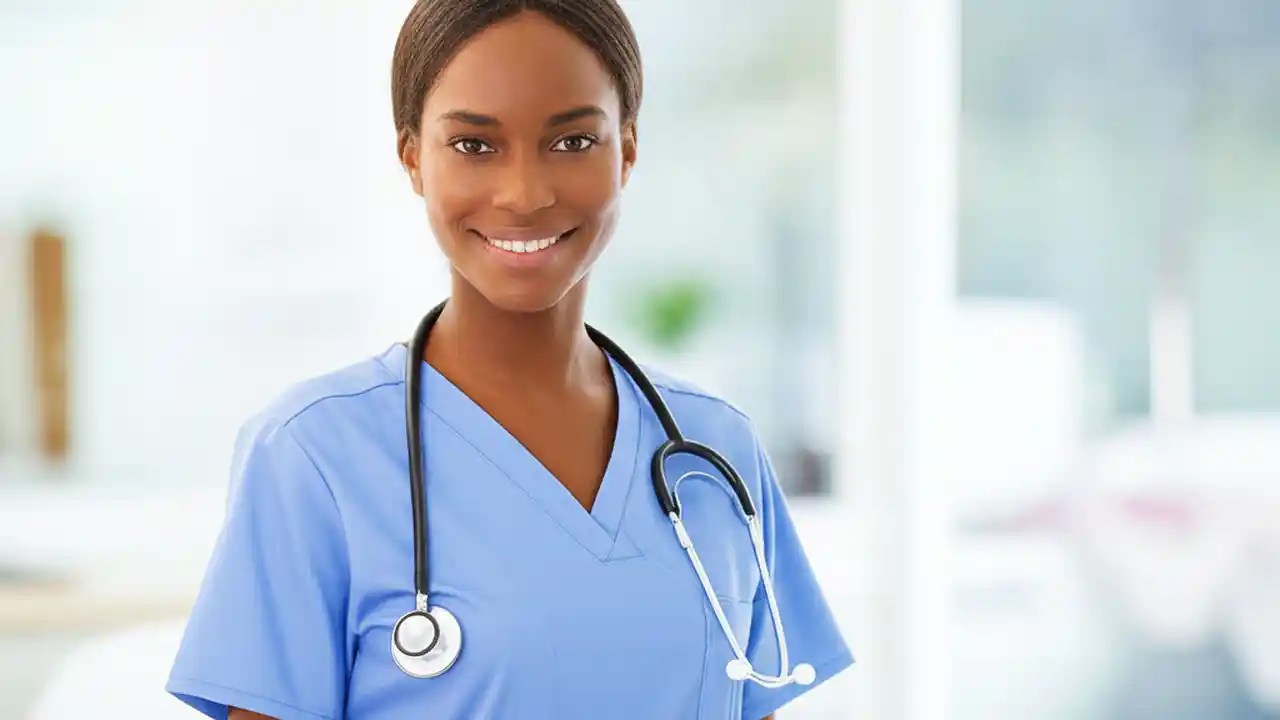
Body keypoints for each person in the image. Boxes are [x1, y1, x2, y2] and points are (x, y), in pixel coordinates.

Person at [164, 1, 854, 718]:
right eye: (473, 145)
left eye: (572, 141)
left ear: (628, 148)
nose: (525, 194)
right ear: (412, 158)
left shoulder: (717, 449)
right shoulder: (312, 456)